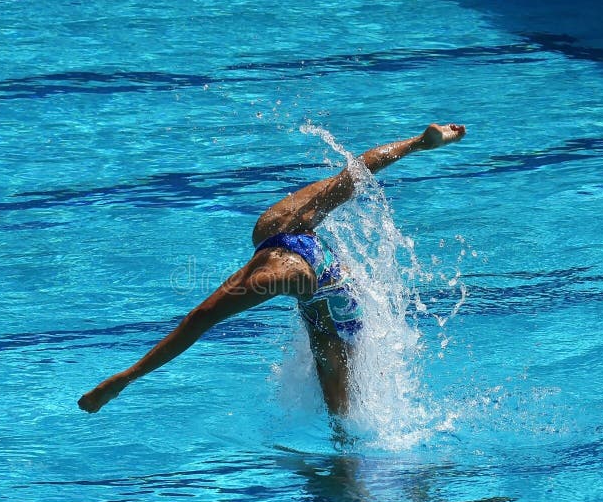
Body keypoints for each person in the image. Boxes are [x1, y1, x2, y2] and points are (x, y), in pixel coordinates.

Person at [78, 123, 466, 415]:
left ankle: (349, 473)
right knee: (343, 182)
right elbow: (358, 172)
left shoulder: (273, 277)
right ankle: (419, 141)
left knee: (343, 421)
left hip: (333, 304)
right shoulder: (278, 223)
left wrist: (124, 379)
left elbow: (198, 320)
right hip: (306, 251)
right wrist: (418, 143)